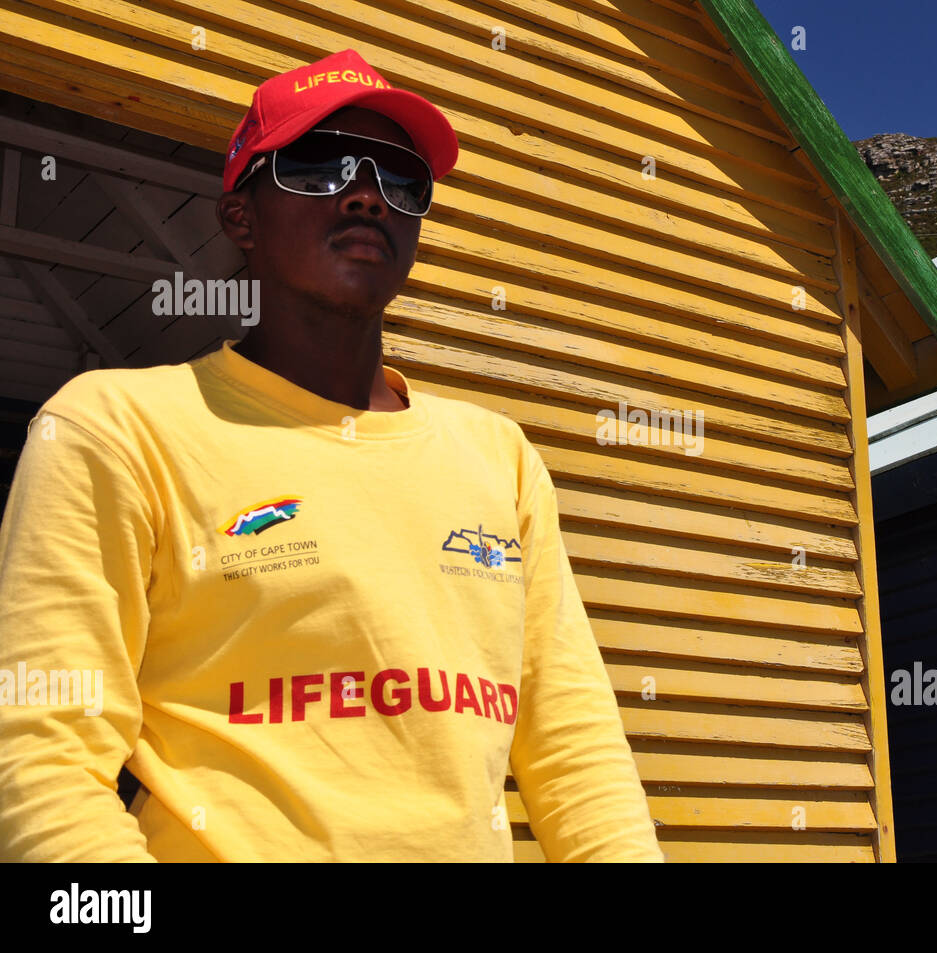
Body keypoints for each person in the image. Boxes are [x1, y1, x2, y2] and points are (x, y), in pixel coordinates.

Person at [0, 49, 664, 862]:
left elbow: (576, 750)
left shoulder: (500, 457)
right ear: (239, 218)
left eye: (400, 179)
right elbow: (42, 765)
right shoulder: (115, 429)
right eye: (320, 166)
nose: (366, 195)